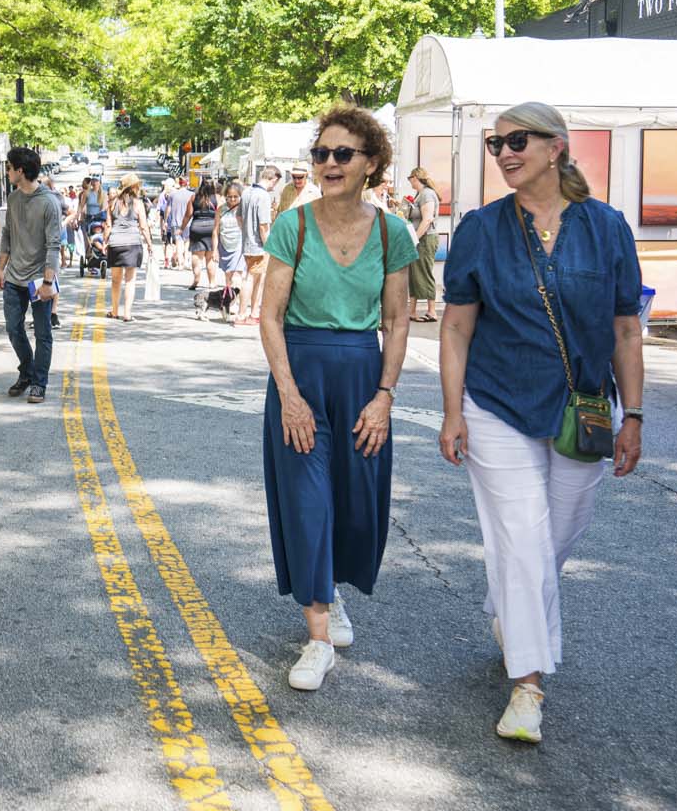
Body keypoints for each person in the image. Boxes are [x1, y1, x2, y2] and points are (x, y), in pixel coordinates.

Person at [438, 101, 644, 744]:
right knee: (524, 537)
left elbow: (625, 328)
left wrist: (632, 412)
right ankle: (527, 684)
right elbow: (456, 326)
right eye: (496, 143)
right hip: (497, 403)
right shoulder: (480, 228)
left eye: (517, 140)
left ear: (556, 147)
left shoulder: (606, 227)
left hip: (582, 407)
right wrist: (451, 412)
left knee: (552, 540)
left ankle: (509, 609)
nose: (503, 152)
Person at [259, 105, 417, 693]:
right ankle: (318, 639)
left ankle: (331, 593)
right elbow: (270, 317)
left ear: (371, 163)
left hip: (360, 378)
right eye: (321, 153)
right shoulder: (292, 227)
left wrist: (384, 397)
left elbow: (398, 320)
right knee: (307, 501)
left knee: (355, 503)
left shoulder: (391, 232)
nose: (328, 163)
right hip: (300, 375)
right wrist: (290, 397)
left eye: (342, 154)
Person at [0, 146, 62, 403]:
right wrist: (0, 268)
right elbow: (8, 236)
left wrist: (47, 282)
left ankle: (38, 383)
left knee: (43, 333)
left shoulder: (48, 202)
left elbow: (54, 245)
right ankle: (27, 369)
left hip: (38, 278)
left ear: (20, 171)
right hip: (14, 277)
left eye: (10, 168)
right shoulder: (13, 199)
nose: (8, 172)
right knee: (13, 328)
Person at [103, 172, 151, 321]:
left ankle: (115, 311)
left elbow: (108, 225)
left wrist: (105, 242)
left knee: (115, 280)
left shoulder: (113, 203)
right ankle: (127, 314)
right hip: (132, 244)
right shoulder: (138, 204)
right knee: (130, 280)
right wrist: (149, 244)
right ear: (134, 187)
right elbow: (143, 227)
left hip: (116, 244)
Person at [238, 165, 281, 323]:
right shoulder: (263, 196)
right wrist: (269, 246)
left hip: (248, 243)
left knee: (254, 278)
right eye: (275, 184)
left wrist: (246, 233)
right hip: (259, 246)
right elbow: (264, 226)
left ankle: (253, 312)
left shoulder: (246, 192)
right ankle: (244, 314)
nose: (274, 187)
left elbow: (239, 217)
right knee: (252, 278)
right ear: (273, 179)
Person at [406, 167, 441, 323]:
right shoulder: (419, 195)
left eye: (410, 178)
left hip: (425, 239)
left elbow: (427, 220)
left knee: (425, 272)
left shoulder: (427, 194)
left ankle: (432, 311)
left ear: (416, 177)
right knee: (414, 274)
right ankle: (412, 311)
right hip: (419, 239)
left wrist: (415, 239)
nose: (409, 181)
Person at [186, 177, 221, 320]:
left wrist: (182, 228)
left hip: (197, 227)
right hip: (211, 228)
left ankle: (196, 277)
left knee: (196, 254)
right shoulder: (218, 198)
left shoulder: (194, 197)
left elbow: (188, 214)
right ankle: (212, 282)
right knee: (210, 256)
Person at [216, 178, 247, 324]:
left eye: (235, 196)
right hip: (224, 246)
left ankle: (239, 306)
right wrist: (215, 249)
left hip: (239, 246)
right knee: (228, 277)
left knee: (237, 277)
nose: (232, 199)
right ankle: (229, 303)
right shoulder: (220, 209)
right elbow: (215, 230)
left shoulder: (243, 208)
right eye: (230, 196)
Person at [162, 175, 193, 269]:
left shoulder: (173, 194)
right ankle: (186, 261)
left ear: (179, 184)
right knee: (187, 242)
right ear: (187, 183)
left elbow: (168, 208)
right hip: (189, 222)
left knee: (178, 242)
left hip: (176, 222)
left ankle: (180, 263)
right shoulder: (191, 194)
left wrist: (166, 220)